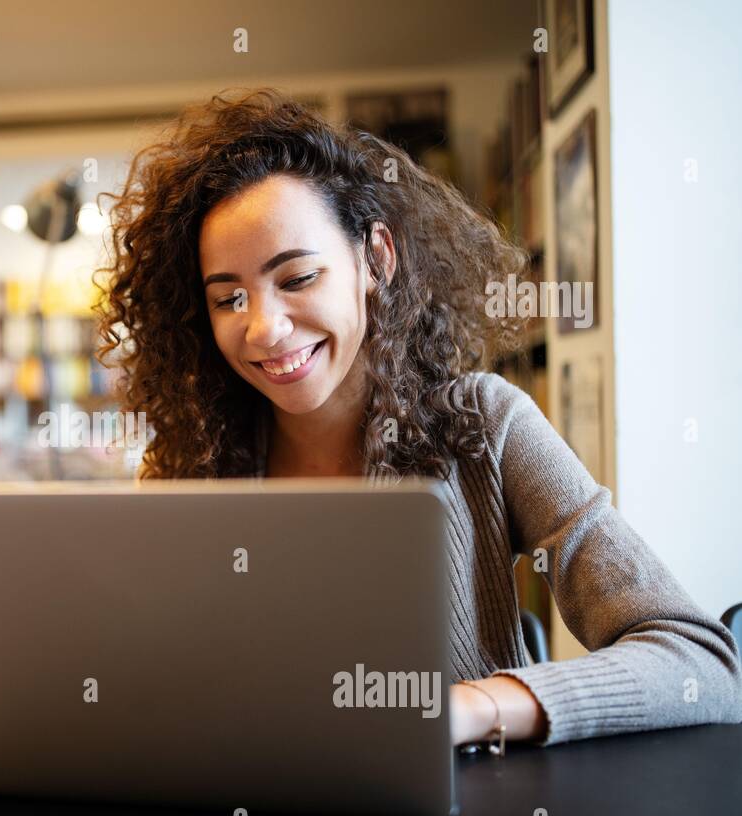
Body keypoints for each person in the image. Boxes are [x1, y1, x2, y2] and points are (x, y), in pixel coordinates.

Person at [93, 88, 741, 748]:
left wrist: (473, 708)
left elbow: (703, 664)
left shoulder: (486, 423)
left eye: (295, 279)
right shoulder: (189, 463)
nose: (264, 329)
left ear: (375, 259)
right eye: (229, 297)